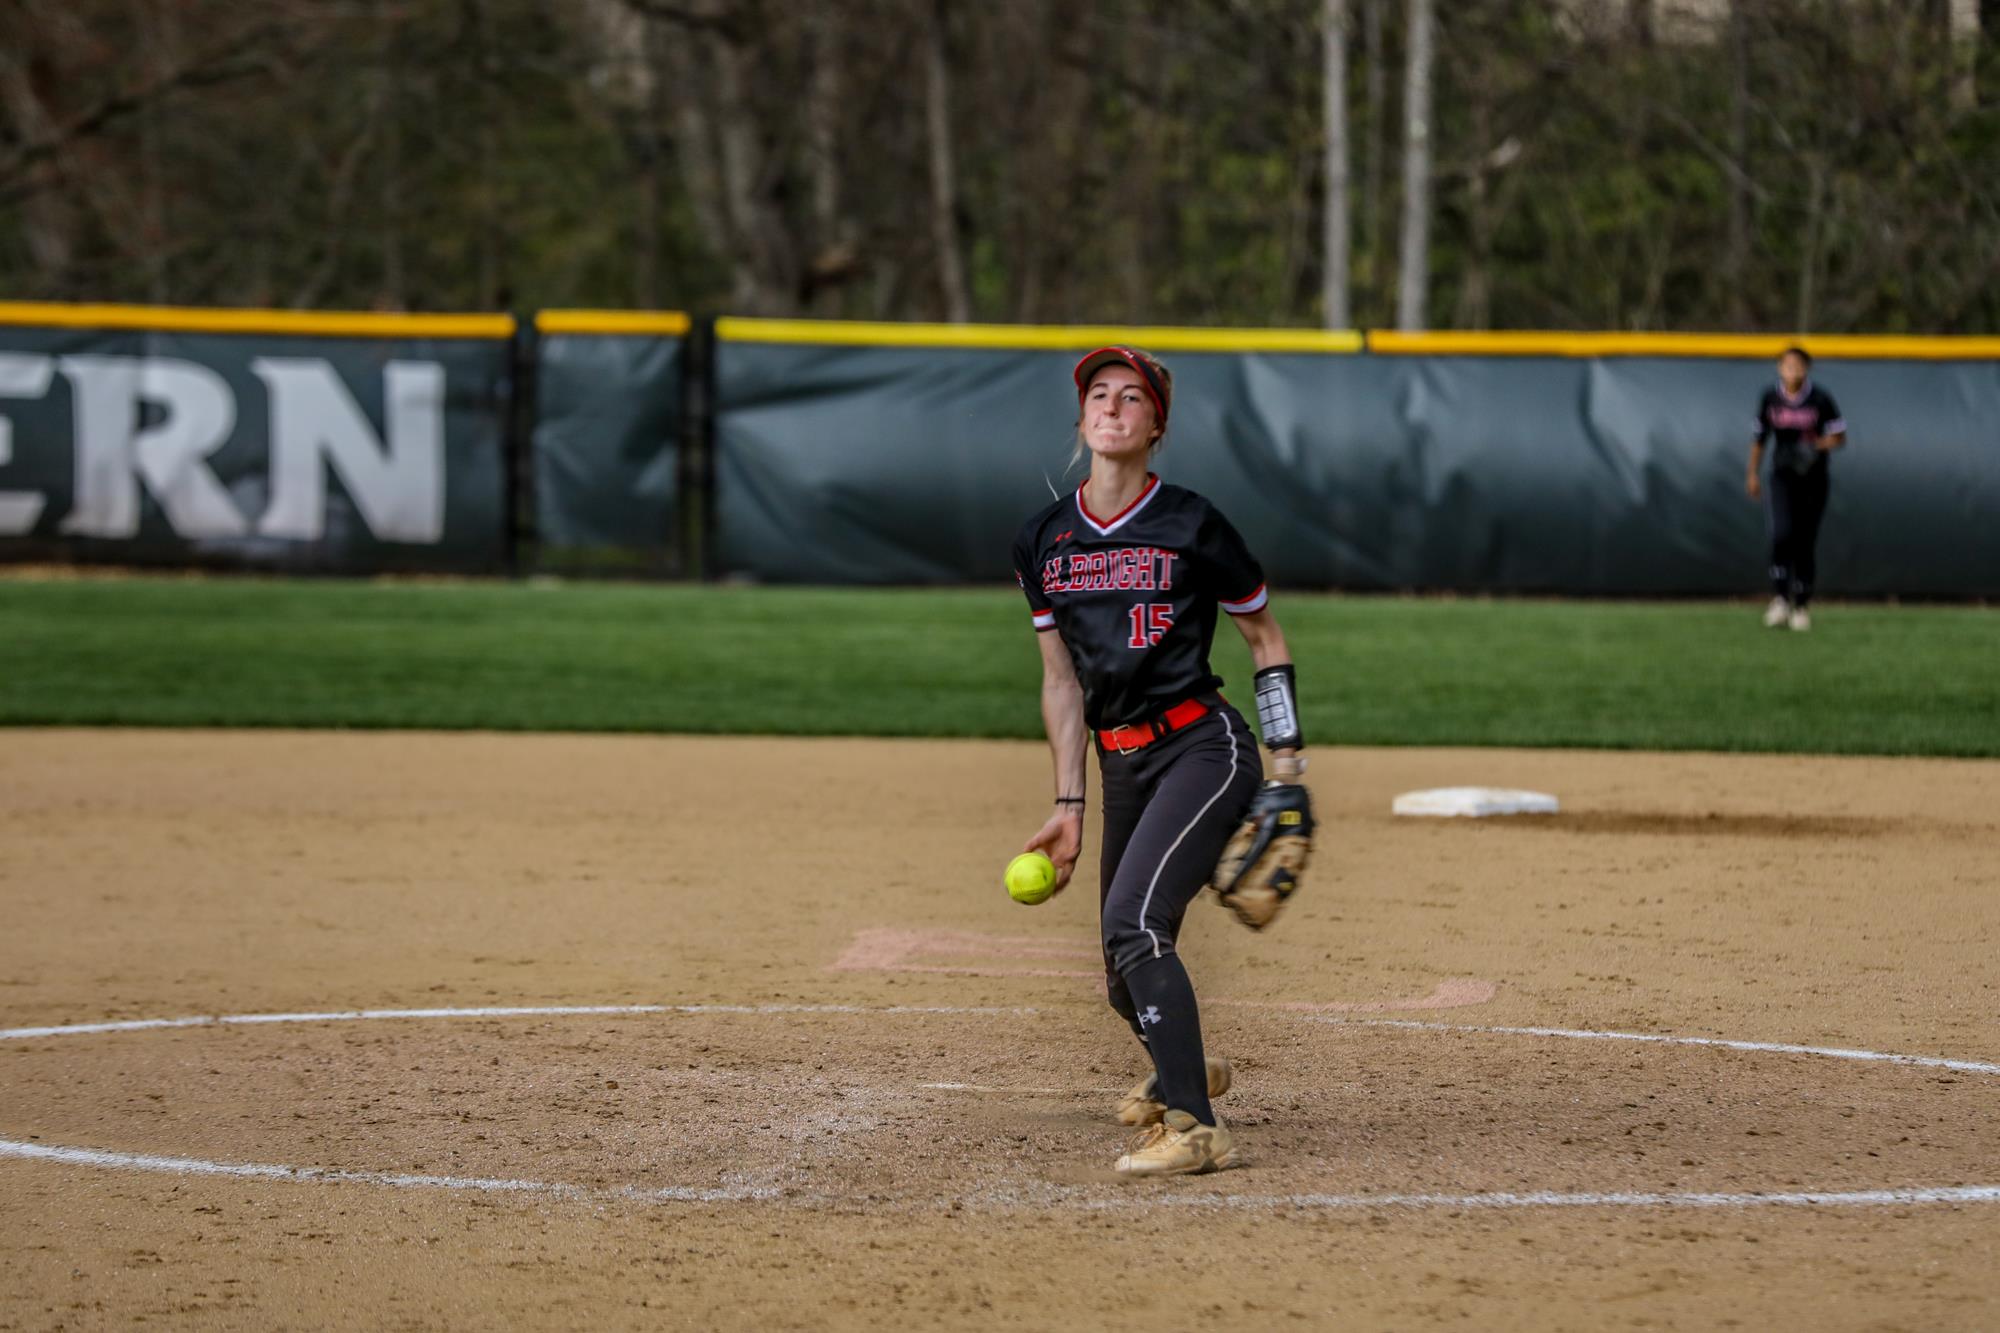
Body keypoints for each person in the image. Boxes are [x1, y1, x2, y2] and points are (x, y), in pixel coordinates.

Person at [1011, 345, 1306, 1177]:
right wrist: (1069, 806)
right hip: (1122, 765)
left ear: (1155, 425)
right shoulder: (1043, 538)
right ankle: (1185, 1064)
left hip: (1201, 747)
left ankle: (1197, 1127)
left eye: (1131, 397)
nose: (1111, 407)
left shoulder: (1192, 523)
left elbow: (1264, 638)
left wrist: (1287, 761)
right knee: (1120, 967)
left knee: (1134, 925)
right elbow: (1061, 682)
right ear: (1081, 420)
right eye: (1098, 394)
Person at [1746, 346, 1846, 632]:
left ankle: (1801, 605)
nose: (1793, 369)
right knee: (1781, 534)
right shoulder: (1770, 397)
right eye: (1787, 364)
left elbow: (1839, 436)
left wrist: (1814, 445)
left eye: (1798, 364)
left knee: (1804, 541)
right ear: (1779, 368)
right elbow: (1759, 438)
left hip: (1813, 478)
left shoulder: (1820, 399)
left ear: (1807, 368)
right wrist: (1752, 473)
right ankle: (1780, 598)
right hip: (1782, 474)